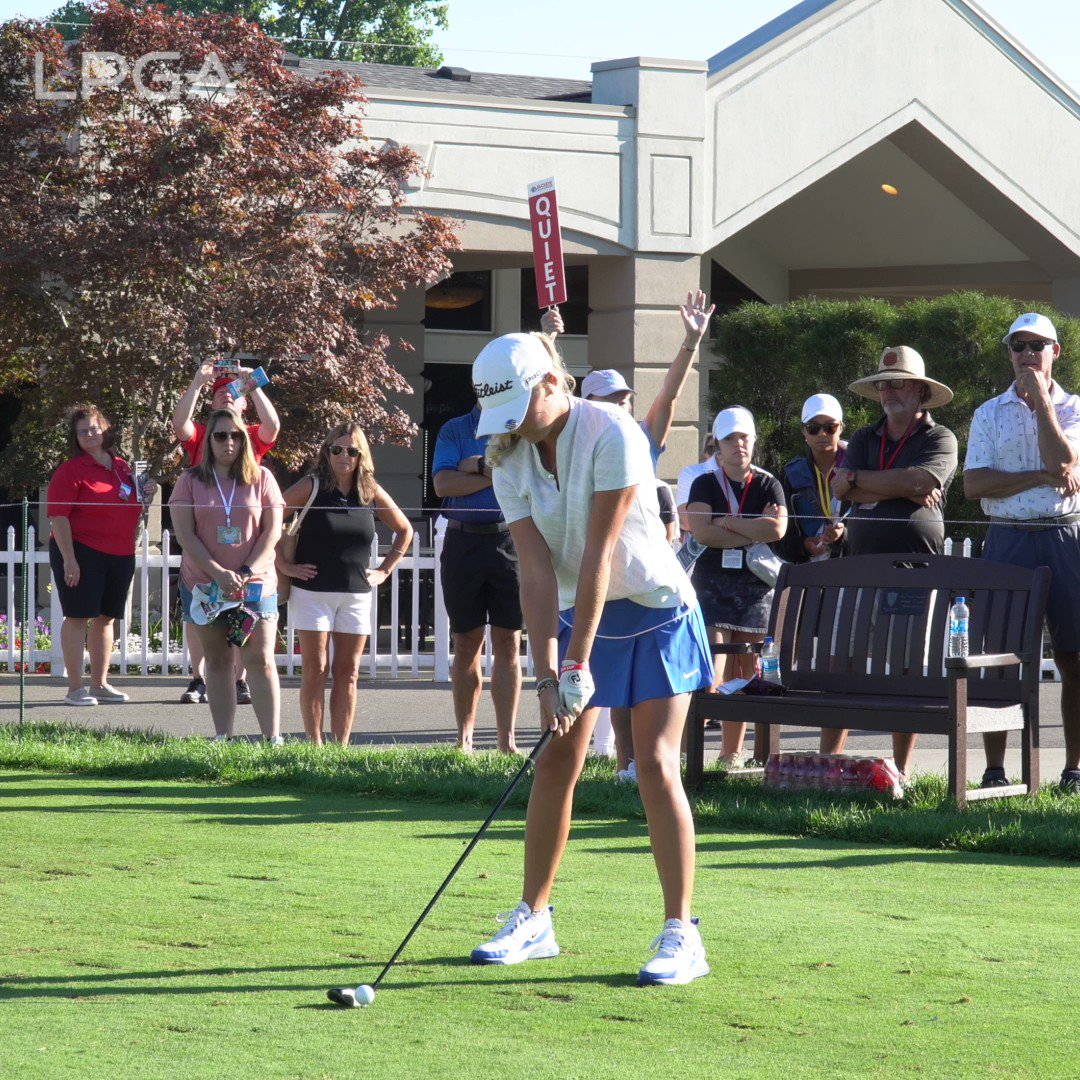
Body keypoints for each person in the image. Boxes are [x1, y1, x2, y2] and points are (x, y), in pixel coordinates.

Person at [468, 331, 714, 985]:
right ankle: (535, 917)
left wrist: (573, 667)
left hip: (656, 610)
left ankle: (682, 932)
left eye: (521, 406)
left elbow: (602, 555)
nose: (513, 424)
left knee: (655, 764)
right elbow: (537, 573)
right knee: (555, 758)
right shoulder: (508, 459)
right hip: (580, 613)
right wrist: (548, 674)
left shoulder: (613, 433)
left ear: (552, 380)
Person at [552, 291, 715, 780]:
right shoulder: (570, 448)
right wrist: (552, 336)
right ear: (588, 404)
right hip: (591, 585)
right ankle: (621, 764)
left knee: (638, 700)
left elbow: (667, 398)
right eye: (611, 400)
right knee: (598, 703)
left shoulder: (638, 441)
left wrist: (690, 343)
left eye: (626, 398)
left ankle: (628, 768)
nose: (622, 405)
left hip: (648, 586)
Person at [963, 313, 1080, 794]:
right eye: (1018, 346)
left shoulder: (1073, 408)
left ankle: (1073, 770)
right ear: (1008, 352)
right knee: (999, 657)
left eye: (1037, 345)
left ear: (1057, 352)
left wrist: (1039, 408)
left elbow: (1065, 464)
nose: (1027, 354)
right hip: (1007, 537)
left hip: (1063, 536)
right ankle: (995, 770)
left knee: (1073, 656)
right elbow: (974, 484)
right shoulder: (988, 412)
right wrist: (1038, 477)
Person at [829, 346, 958, 779]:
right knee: (841, 667)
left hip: (913, 571)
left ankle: (899, 774)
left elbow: (922, 480)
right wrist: (897, 486)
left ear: (921, 391)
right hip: (860, 566)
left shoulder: (940, 439)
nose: (888, 390)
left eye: (898, 381)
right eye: (883, 383)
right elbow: (840, 487)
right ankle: (829, 765)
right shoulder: (865, 438)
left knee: (906, 671)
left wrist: (864, 482)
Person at [277, 423, 413, 745]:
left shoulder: (370, 491)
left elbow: (405, 530)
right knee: (316, 668)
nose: (343, 456)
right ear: (326, 451)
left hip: (356, 594)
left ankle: (341, 747)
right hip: (312, 592)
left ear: (361, 455)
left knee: (348, 673)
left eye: (351, 450)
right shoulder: (311, 486)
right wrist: (284, 565)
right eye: (336, 449)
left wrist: (385, 569)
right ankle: (315, 745)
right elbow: (269, 517)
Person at [171, 358, 281, 707]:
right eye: (219, 395)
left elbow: (272, 426)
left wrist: (252, 385)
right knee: (199, 614)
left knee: (243, 617)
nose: (226, 398)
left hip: (245, 544)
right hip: (205, 543)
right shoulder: (207, 435)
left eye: (232, 394)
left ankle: (240, 680)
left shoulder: (246, 438)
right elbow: (179, 425)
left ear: (245, 403)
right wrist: (198, 382)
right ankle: (197, 677)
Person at [686, 407, 787, 764]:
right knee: (709, 673)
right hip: (712, 589)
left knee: (743, 678)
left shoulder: (768, 482)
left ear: (754, 441)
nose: (738, 444)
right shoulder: (704, 482)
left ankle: (731, 756)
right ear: (717, 443)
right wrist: (747, 527)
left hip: (755, 590)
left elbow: (776, 529)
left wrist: (727, 521)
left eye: (744, 436)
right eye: (730, 438)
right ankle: (689, 755)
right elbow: (702, 532)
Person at [432, 394, 524, 754]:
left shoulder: (517, 431)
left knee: (508, 643)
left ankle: (506, 741)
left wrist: (474, 468)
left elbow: (521, 481)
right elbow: (443, 485)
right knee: (467, 643)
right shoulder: (454, 429)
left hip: (508, 539)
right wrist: (494, 472)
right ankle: (464, 739)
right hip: (462, 542)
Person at [47, 405, 156, 706]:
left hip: (120, 553)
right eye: (83, 431)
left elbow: (136, 504)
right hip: (81, 551)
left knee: (106, 618)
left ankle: (99, 684)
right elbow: (58, 517)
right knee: (78, 616)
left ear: (105, 429)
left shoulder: (123, 467)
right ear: (76, 437)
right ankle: (74, 689)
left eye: (94, 428)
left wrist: (148, 493)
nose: (90, 435)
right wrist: (70, 559)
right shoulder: (70, 471)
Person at [779, 393, 850, 756]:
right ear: (804, 432)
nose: (823, 434)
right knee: (804, 661)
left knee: (839, 662)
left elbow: (879, 513)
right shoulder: (791, 472)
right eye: (814, 428)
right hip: (811, 574)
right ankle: (783, 753)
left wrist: (846, 535)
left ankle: (830, 755)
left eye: (830, 426)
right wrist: (803, 545)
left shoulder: (859, 461)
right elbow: (781, 531)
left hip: (853, 571)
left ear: (841, 427)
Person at [676, 433, 718, 539]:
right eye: (710, 449)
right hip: (701, 545)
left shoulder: (761, 476)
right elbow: (688, 522)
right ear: (705, 454)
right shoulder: (691, 472)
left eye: (720, 448)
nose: (716, 453)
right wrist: (733, 522)